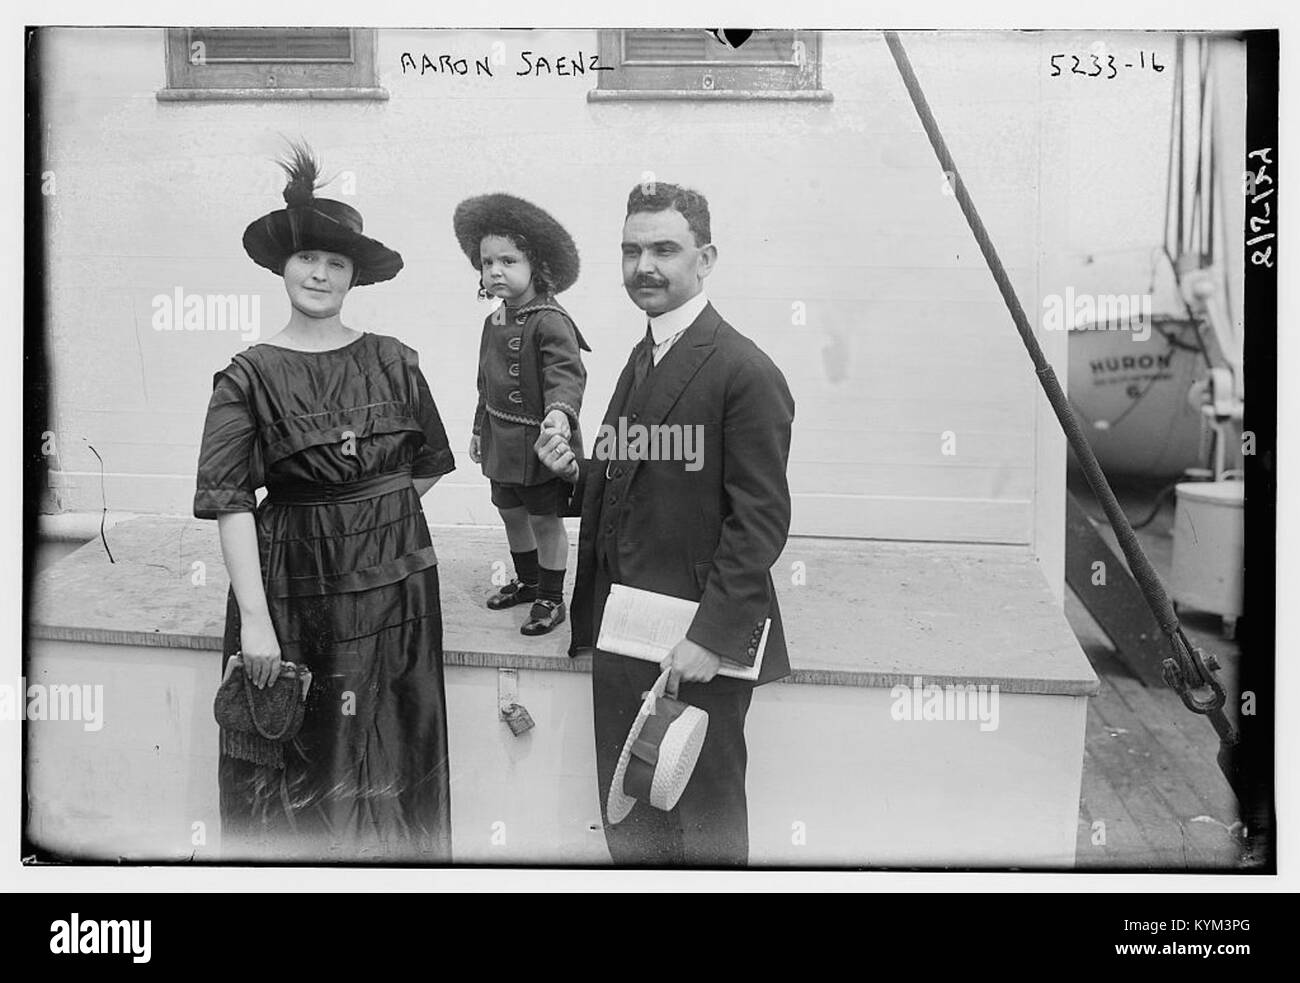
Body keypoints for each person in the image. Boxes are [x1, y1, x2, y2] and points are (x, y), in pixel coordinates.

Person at [194, 142, 455, 862]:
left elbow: (427, 464)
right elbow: (230, 500)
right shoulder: (248, 375)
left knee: (395, 749)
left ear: (354, 277)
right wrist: (256, 623)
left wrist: (368, 515)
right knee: (301, 766)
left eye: (336, 262)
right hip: (292, 592)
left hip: (395, 591)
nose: (319, 272)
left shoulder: (394, 360)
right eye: (308, 256)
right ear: (285, 265)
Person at [534, 182, 795, 866]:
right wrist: (573, 473)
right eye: (631, 249)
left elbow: (760, 521)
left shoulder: (745, 372)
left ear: (705, 258)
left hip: (696, 650)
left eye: (664, 249)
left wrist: (710, 638)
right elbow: (629, 482)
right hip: (628, 638)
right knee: (634, 834)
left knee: (702, 835)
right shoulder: (643, 354)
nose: (644, 265)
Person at [453, 194, 590, 636]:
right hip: (499, 441)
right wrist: (478, 428)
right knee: (510, 512)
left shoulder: (551, 320)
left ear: (536, 265)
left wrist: (560, 417)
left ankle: (552, 597)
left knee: (544, 520)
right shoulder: (493, 321)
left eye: (508, 260)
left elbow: (566, 375)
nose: (495, 271)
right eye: (487, 262)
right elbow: (485, 382)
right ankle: (529, 583)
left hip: (540, 443)